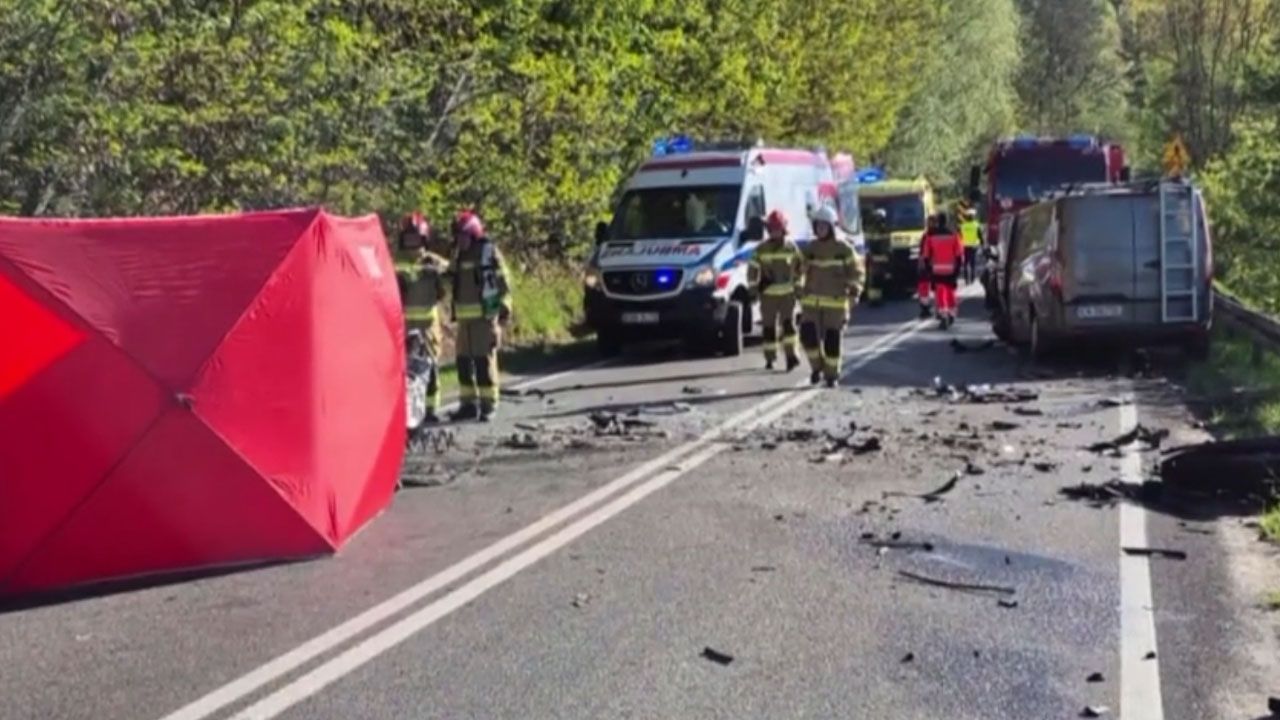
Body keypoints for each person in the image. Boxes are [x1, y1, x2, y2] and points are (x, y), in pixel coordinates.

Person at [449, 210, 512, 422]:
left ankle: (488, 404)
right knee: (464, 364)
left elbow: (504, 284)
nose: (460, 241)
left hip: (485, 319)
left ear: (473, 233)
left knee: (484, 362)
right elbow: (450, 278)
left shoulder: (488, 253)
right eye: (457, 237)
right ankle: (468, 404)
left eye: (463, 236)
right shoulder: (458, 255)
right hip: (465, 322)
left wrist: (502, 313)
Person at [799, 205, 865, 388]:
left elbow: (857, 271)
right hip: (811, 302)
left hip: (835, 304)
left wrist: (855, 289)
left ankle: (831, 375)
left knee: (832, 340)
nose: (820, 230)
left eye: (824, 226)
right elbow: (798, 270)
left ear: (831, 227)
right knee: (808, 336)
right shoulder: (810, 248)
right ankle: (816, 368)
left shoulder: (843, 248)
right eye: (818, 226)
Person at [394, 212, 448, 424]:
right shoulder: (396, 262)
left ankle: (431, 409)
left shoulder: (432, 262)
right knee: (406, 373)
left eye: (415, 239)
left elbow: (448, 279)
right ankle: (407, 412)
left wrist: (436, 273)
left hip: (428, 327)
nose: (412, 244)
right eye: (408, 239)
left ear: (424, 239)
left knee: (430, 368)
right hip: (404, 327)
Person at [747, 210, 804, 371]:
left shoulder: (791, 247)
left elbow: (801, 268)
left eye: (777, 229)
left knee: (789, 327)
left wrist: (799, 286)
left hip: (787, 296)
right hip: (768, 296)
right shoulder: (761, 249)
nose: (774, 232)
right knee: (769, 328)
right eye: (771, 229)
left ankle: (792, 356)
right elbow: (752, 269)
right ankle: (770, 358)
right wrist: (753, 289)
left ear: (783, 229)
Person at [920, 211, 964, 329]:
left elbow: (926, 256)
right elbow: (959, 256)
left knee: (940, 293)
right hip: (951, 270)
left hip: (937, 270)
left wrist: (929, 271)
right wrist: (957, 270)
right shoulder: (954, 235)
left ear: (938, 221)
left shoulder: (931, 236)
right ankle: (951, 313)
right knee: (951, 292)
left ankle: (943, 315)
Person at [959, 207, 982, 284]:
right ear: (973, 217)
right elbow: (980, 236)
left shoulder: (963, 226)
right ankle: (972, 278)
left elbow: (960, 236)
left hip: (965, 246)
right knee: (973, 263)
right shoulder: (976, 225)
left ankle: (966, 279)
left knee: (966, 263)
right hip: (973, 246)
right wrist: (982, 244)